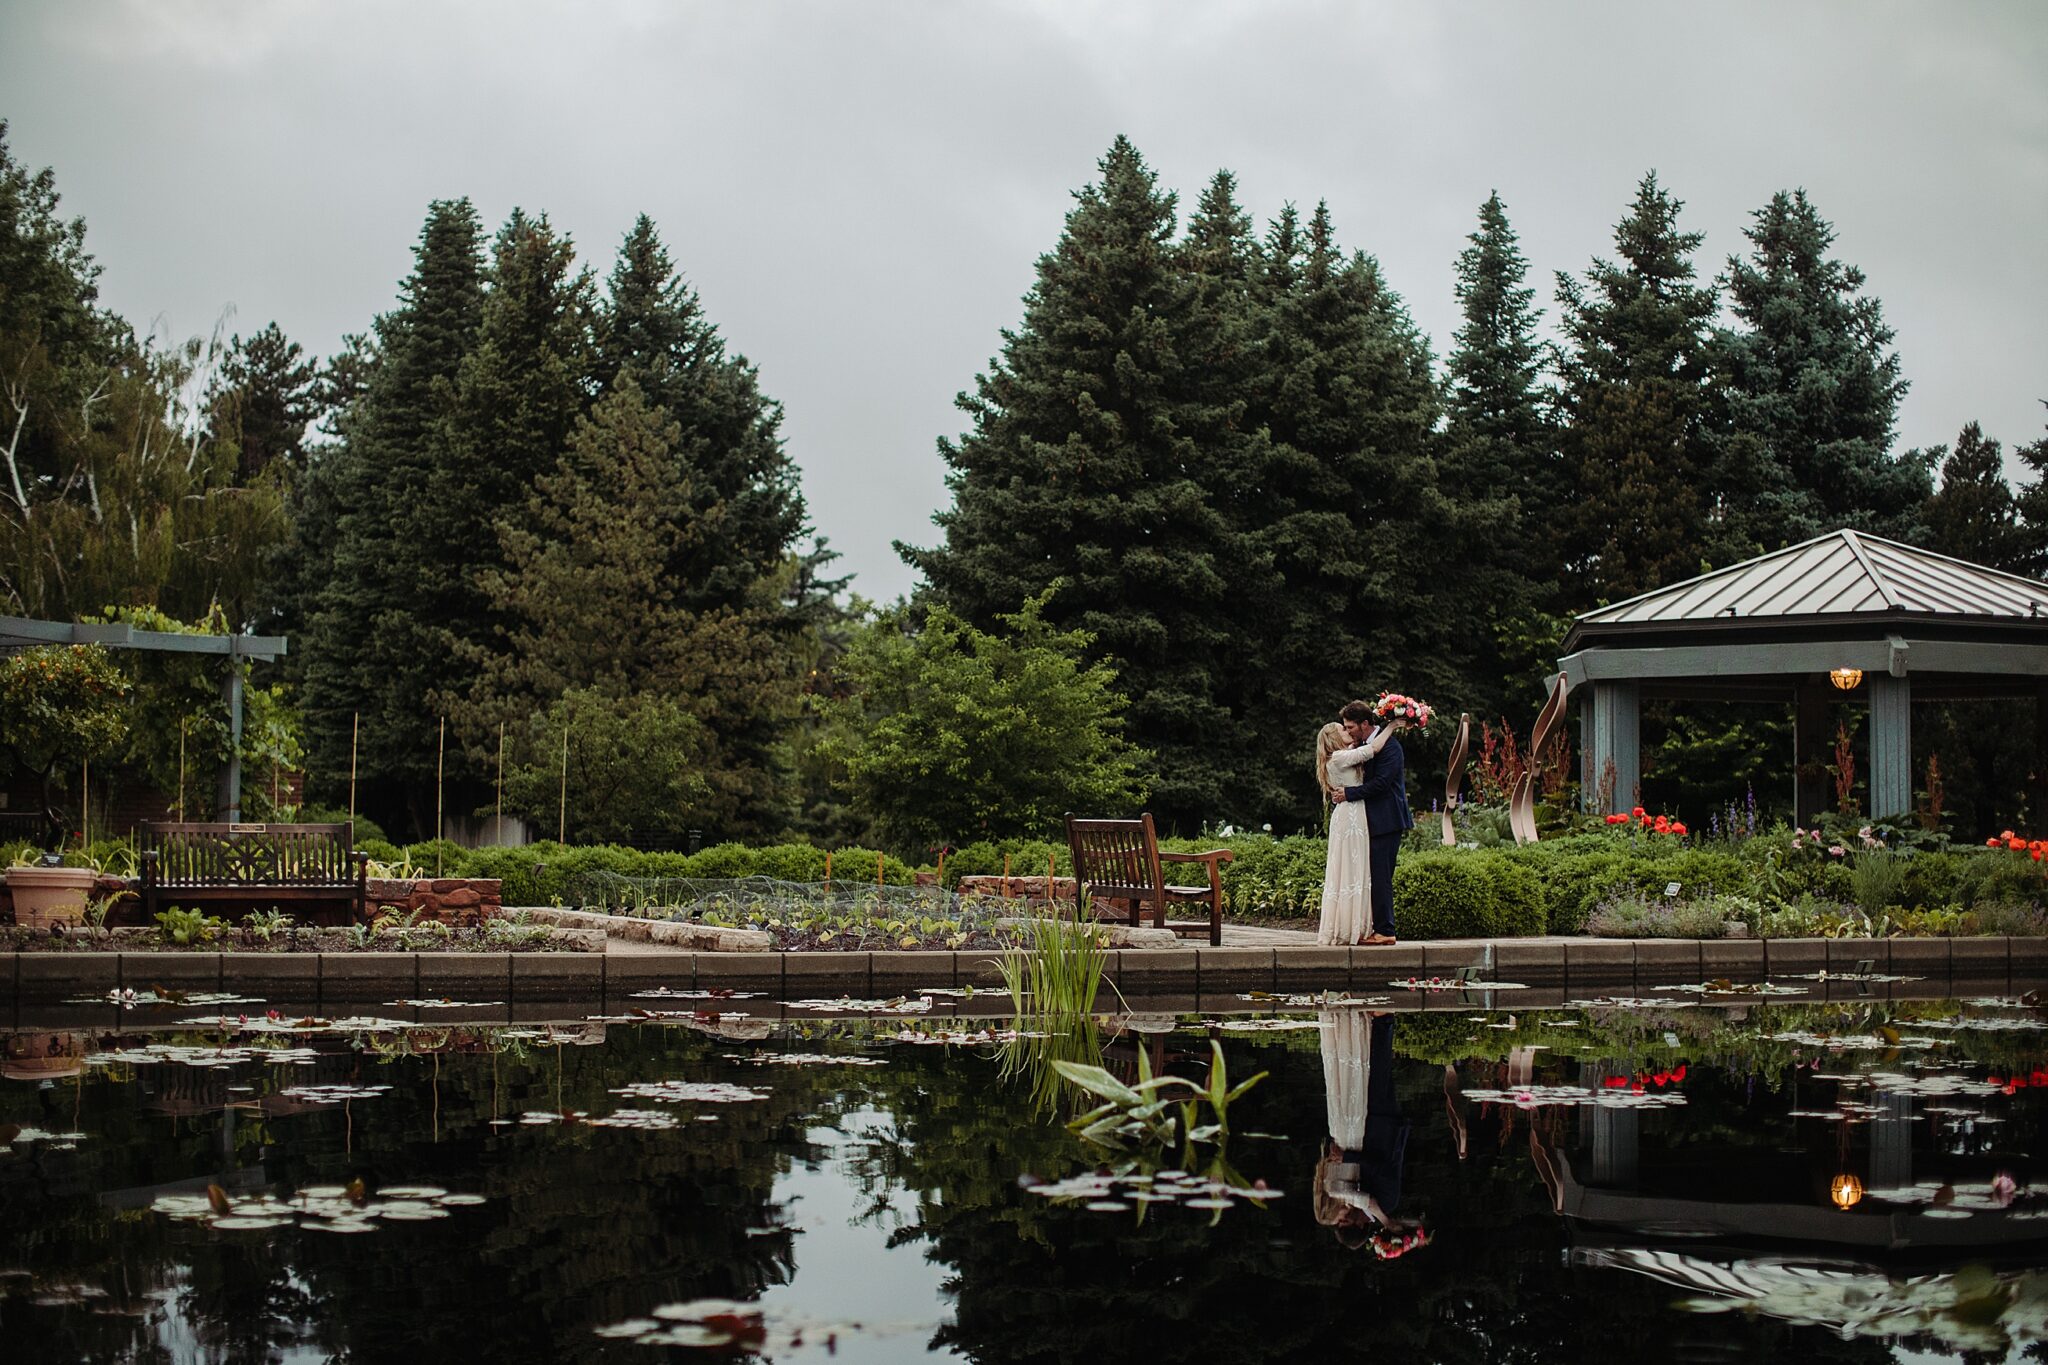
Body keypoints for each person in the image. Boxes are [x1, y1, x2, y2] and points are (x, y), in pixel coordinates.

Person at [1312, 1008, 1428, 1257]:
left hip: (1366, 1127)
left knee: (1370, 1073)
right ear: (1360, 1224)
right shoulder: (1386, 1202)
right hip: (1383, 1130)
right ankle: (1385, 1020)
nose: (1341, 1216)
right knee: (1379, 1073)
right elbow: (1381, 1167)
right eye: (1345, 1222)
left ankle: (1368, 1024)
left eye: (1340, 1221)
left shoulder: (1357, 1201)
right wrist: (1348, 1158)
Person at [1328, 699, 1413, 946]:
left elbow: (1382, 784)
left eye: (1351, 727)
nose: (1349, 731)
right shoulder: (1365, 745)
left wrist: (1349, 794)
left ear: (1365, 724)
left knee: (1381, 875)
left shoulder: (1391, 747)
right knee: (1371, 875)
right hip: (1368, 821)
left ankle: (1386, 930)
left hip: (1387, 819)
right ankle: (1375, 926)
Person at [1315, 717, 1394, 946]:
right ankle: (1350, 928)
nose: (1347, 730)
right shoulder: (1339, 758)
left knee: (1355, 869)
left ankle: (1354, 926)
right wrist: (1392, 726)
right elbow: (1375, 748)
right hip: (1351, 816)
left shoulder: (1340, 755)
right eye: (1343, 729)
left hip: (1353, 813)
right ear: (1333, 737)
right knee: (1351, 869)